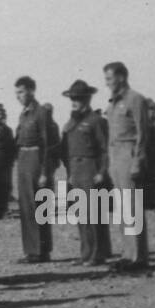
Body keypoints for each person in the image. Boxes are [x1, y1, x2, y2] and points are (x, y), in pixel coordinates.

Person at [103, 61, 149, 272]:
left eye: (110, 78)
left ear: (122, 77)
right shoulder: (113, 103)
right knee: (121, 210)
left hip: (129, 154)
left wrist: (138, 161)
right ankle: (127, 254)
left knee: (132, 207)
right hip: (116, 156)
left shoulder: (135, 99)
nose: (107, 83)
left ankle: (138, 257)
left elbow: (142, 133)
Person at [60, 80, 112, 267]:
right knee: (81, 214)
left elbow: (104, 148)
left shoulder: (96, 121)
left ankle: (98, 254)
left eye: (79, 98)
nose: (75, 101)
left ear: (87, 99)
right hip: (76, 170)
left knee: (94, 213)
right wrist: (70, 173)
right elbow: (66, 151)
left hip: (91, 168)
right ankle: (85, 253)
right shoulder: (71, 123)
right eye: (73, 98)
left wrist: (102, 172)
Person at [13, 77, 52, 262]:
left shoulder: (40, 113)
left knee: (38, 205)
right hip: (23, 159)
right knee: (27, 206)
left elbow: (47, 143)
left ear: (31, 91)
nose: (18, 96)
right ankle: (32, 249)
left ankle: (40, 251)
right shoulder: (24, 114)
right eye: (17, 92)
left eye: (21, 91)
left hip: (36, 159)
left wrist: (45, 171)